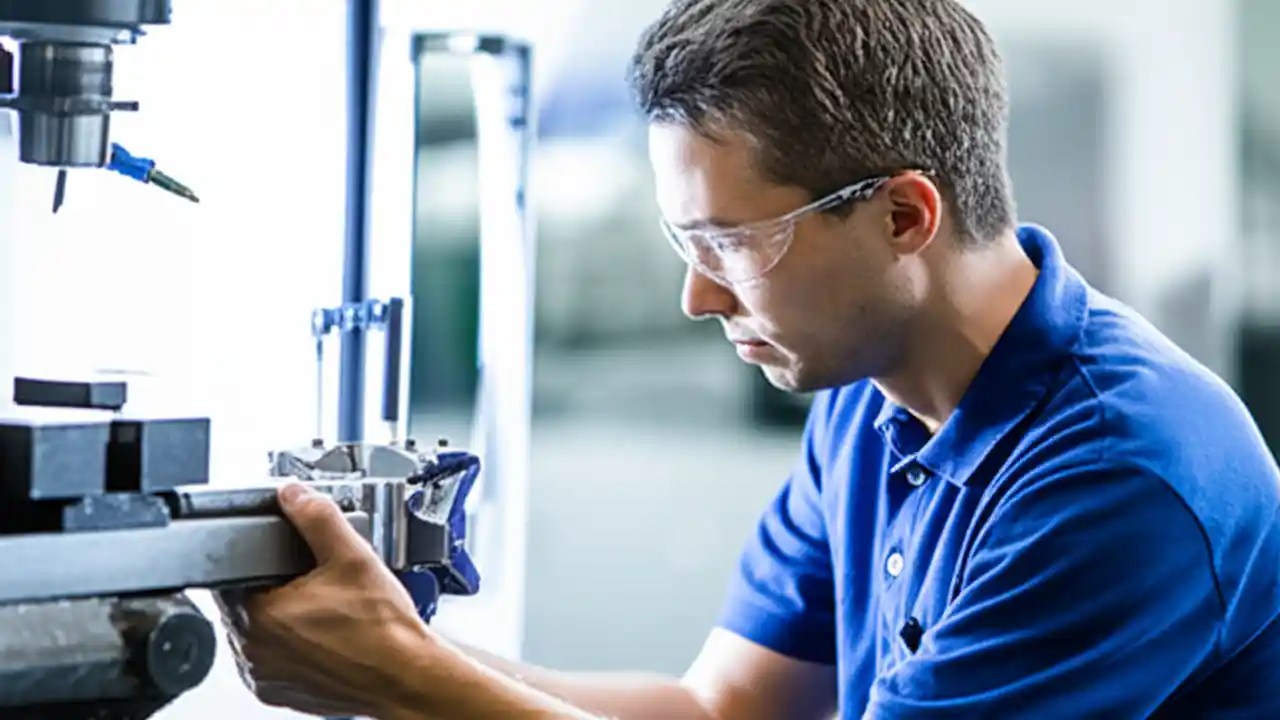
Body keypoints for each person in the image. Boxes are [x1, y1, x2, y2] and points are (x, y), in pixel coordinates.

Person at [222, 0, 1280, 717]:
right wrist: (384, 648)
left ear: (903, 216)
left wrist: (406, 680)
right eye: (685, 244)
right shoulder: (871, 398)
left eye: (732, 244)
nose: (698, 296)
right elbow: (721, 709)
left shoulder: (1121, 474)